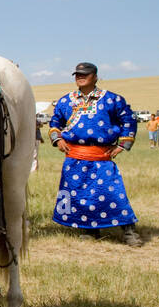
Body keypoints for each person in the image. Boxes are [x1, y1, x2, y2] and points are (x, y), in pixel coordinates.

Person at [48, 62, 142, 246]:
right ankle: (90, 230)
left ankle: (129, 231)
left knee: (114, 194)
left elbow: (129, 120)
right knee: (80, 196)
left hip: (102, 158)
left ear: (95, 76)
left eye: (85, 74)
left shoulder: (112, 100)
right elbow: (54, 123)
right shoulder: (66, 101)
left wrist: (122, 145)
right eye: (77, 74)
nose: (80, 77)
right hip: (74, 158)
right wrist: (58, 139)